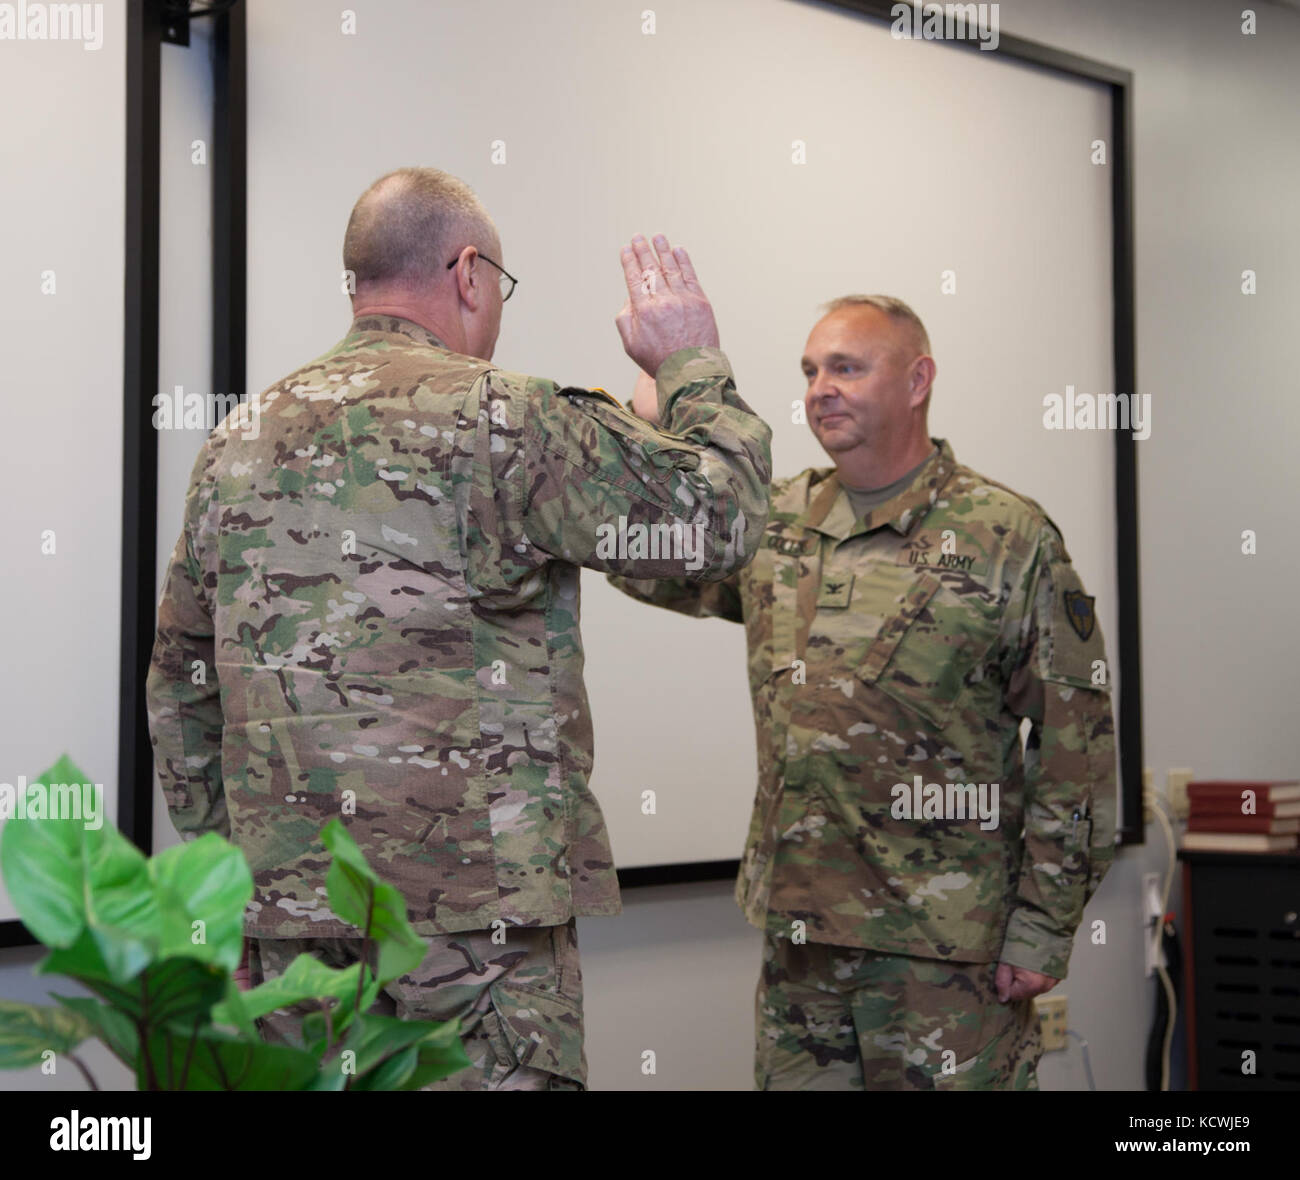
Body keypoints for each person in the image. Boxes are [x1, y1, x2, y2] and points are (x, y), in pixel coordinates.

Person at [145, 166, 772, 1090]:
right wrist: (690, 363)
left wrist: (231, 894)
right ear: (469, 273)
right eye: (499, 290)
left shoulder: (233, 443)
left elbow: (182, 690)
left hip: (297, 944)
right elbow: (725, 520)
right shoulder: (506, 419)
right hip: (481, 945)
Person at [610, 294, 1116, 1090]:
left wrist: (1043, 933)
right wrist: (658, 417)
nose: (820, 388)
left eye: (846, 367)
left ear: (918, 380)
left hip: (946, 955)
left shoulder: (1005, 536)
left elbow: (1076, 750)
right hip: (800, 941)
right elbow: (645, 558)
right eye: (811, 371)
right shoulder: (774, 519)